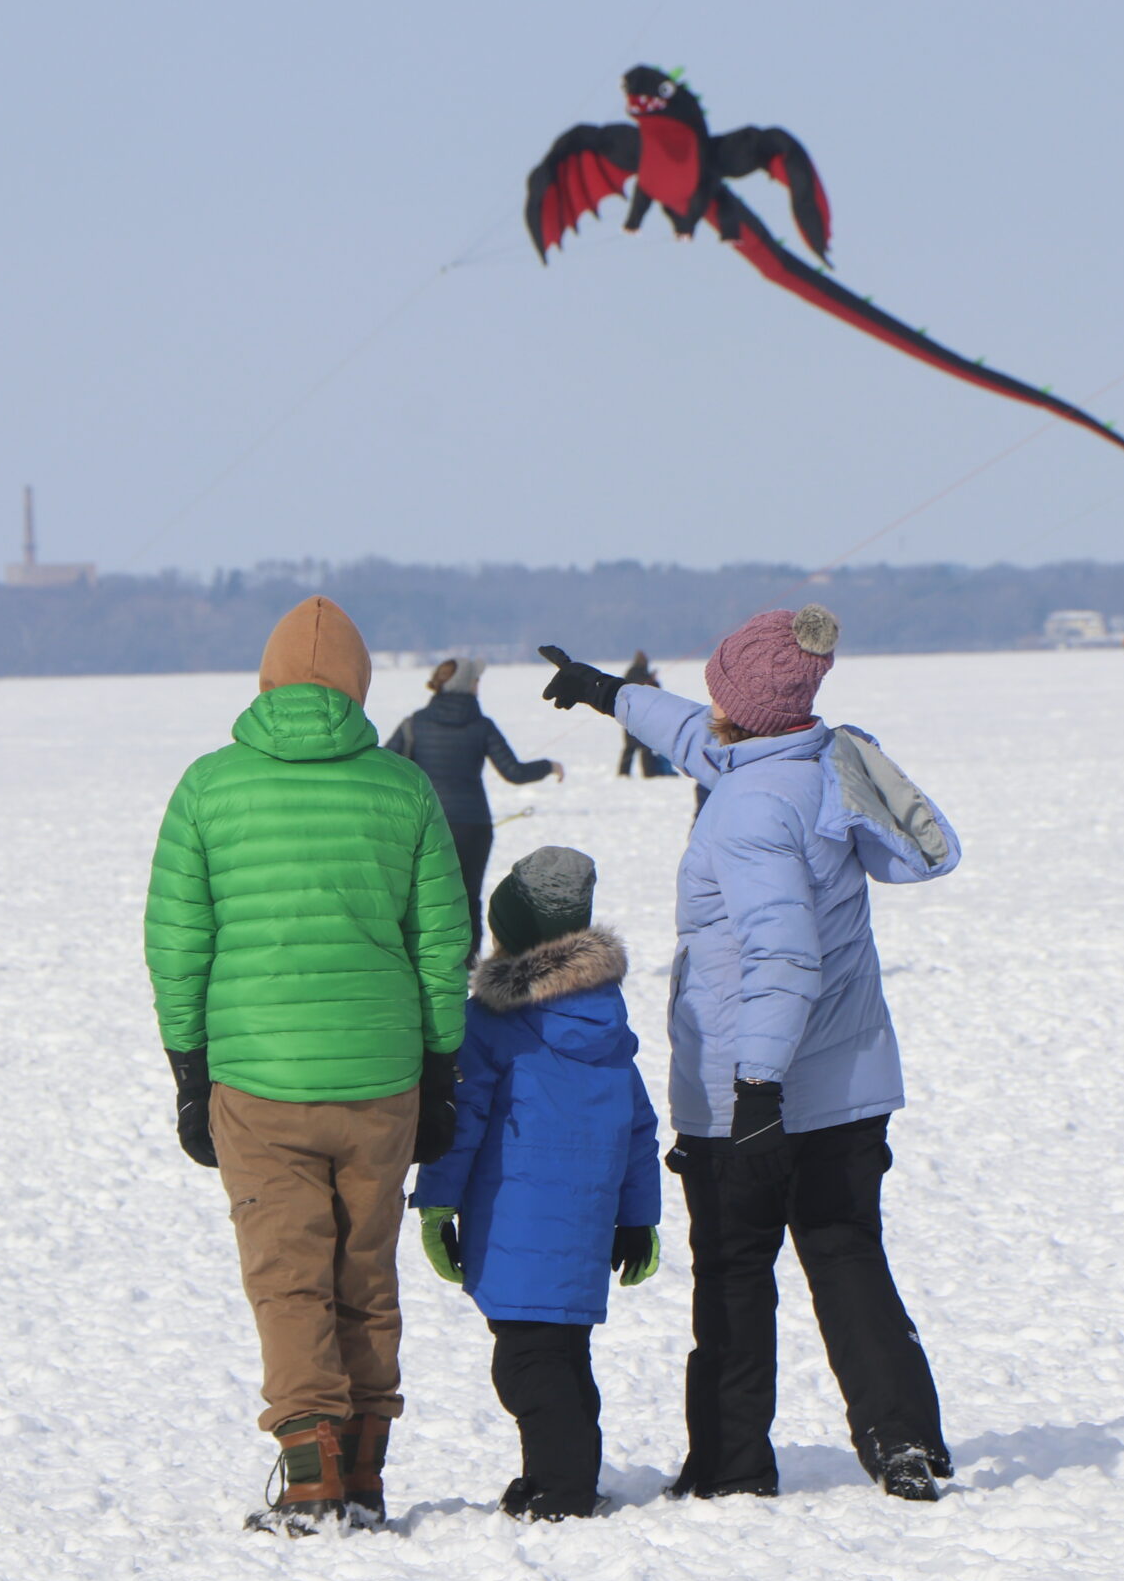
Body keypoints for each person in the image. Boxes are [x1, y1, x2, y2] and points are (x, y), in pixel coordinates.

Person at [537, 604, 964, 1503]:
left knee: (734, 1275)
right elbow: (696, 735)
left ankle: (731, 1464)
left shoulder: (746, 811)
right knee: (847, 1255)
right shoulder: (811, 761)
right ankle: (905, 1439)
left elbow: (783, 955)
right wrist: (610, 694)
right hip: (848, 1085)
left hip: (751, 1089)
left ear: (739, 700)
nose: (709, 705)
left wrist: (758, 1086)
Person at [144, 596, 471, 1534]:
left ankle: (311, 1474)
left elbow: (178, 947)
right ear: (360, 685)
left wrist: (190, 1073)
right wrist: (440, 1073)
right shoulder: (403, 788)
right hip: (381, 1076)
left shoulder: (207, 787)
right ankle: (363, 1468)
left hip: (258, 1079)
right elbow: (442, 944)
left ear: (266, 680)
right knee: (365, 1271)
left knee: (288, 1275)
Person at [411, 846, 661, 1522]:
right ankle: (560, 1474)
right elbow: (638, 1121)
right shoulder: (606, 1019)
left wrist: (436, 1202)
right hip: (586, 1222)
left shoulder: (491, 1022)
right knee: (564, 1355)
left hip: (513, 1219)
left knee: (526, 1364)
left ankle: (562, 1488)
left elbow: (462, 1119)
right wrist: (638, 1215)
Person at [383, 658, 562, 960]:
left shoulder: (414, 724)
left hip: (426, 824)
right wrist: (549, 766)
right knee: (469, 898)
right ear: (468, 685)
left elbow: (387, 766)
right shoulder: (482, 726)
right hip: (473, 827)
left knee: (424, 894)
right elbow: (514, 772)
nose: (479, 685)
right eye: (477, 680)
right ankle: (467, 963)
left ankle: (424, 958)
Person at [617, 652, 660, 776]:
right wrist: (649, 680)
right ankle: (624, 773)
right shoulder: (633, 672)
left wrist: (652, 680)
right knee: (631, 747)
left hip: (643, 715)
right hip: (631, 715)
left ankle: (649, 773)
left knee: (646, 747)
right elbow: (633, 685)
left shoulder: (644, 674)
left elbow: (656, 690)